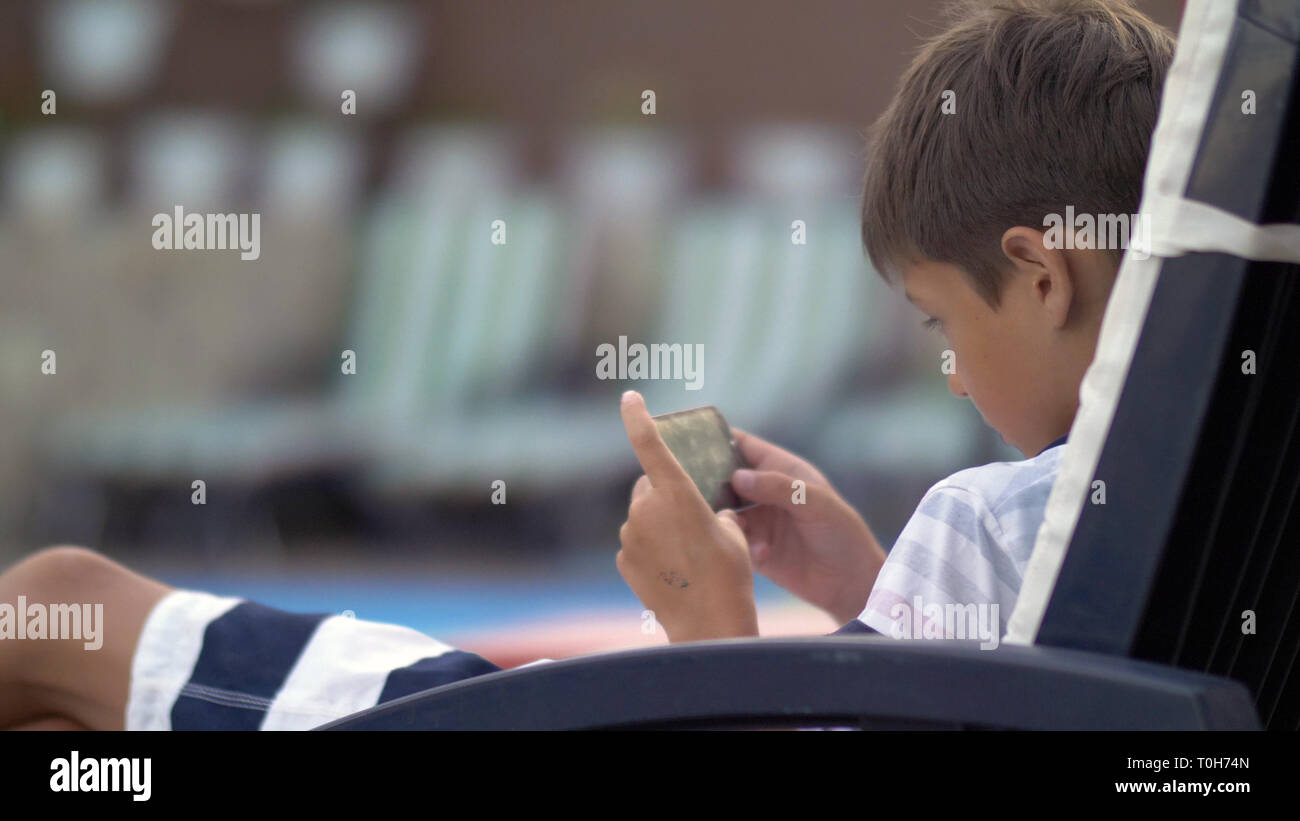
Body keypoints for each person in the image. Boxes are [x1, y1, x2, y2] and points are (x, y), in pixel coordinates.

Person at [0, 0, 1175, 730]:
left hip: (569, 719)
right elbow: (1002, 692)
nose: (955, 377)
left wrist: (705, 621)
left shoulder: (1000, 511)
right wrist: (867, 595)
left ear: (1038, 274)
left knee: (57, 606)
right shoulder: (1169, 502)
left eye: (937, 324)